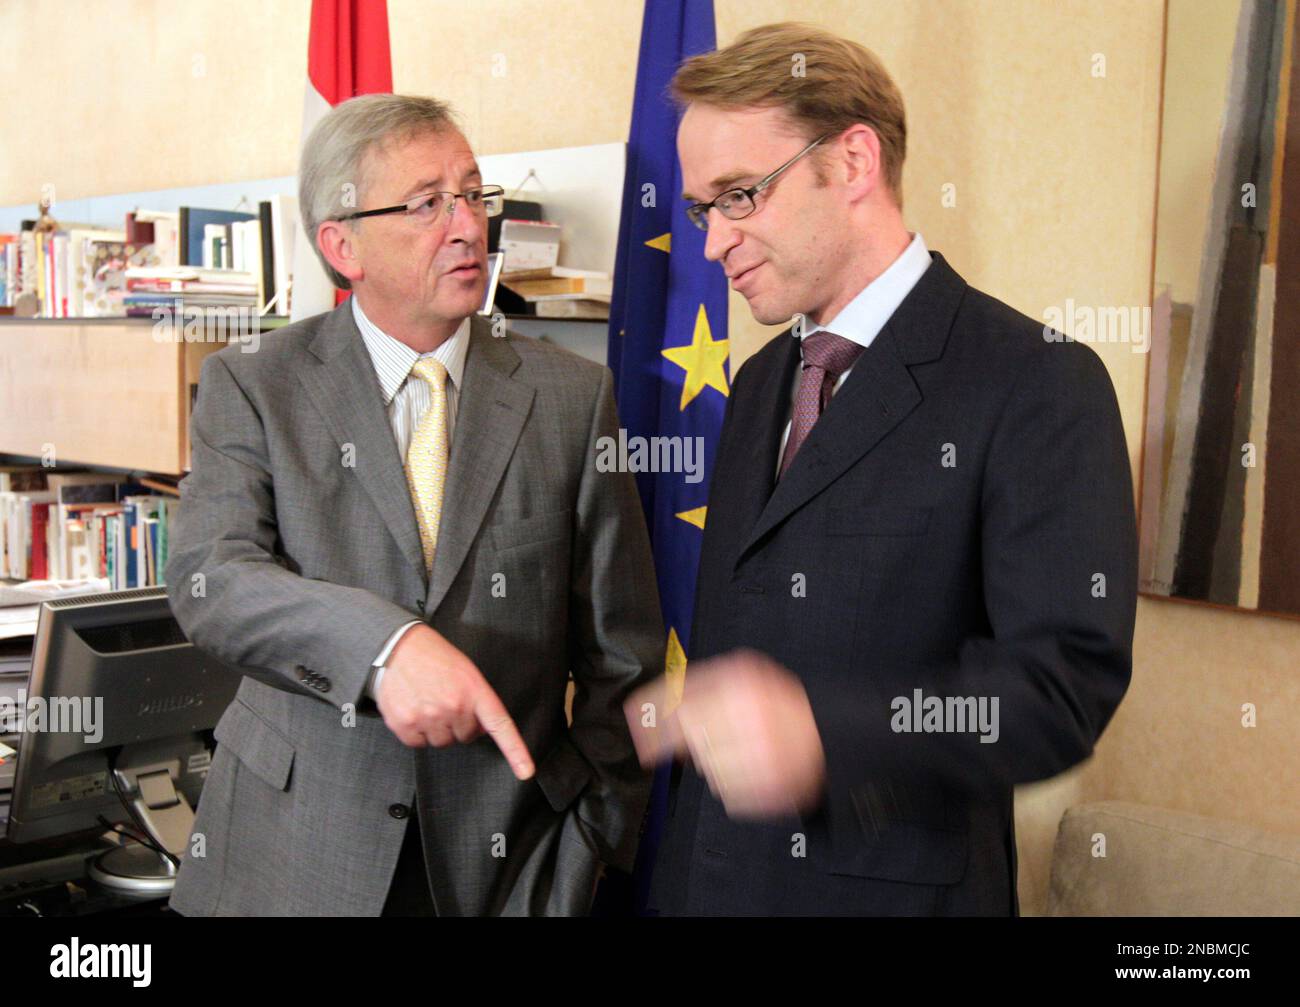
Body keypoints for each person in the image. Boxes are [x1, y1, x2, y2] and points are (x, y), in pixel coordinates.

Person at [627, 22, 1137, 916]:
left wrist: (824, 733)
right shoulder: (756, 385)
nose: (713, 244)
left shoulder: (1037, 378)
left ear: (854, 161)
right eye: (706, 209)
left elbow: (1060, 686)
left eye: (739, 196)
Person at [166, 93, 663, 916]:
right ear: (342, 245)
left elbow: (624, 660)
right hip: (292, 859)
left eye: (474, 194)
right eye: (428, 203)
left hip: (506, 866)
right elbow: (212, 581)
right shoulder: (254, 383)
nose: (468, 225)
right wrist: (385, 647)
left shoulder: (573, 396)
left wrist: (586, 848)